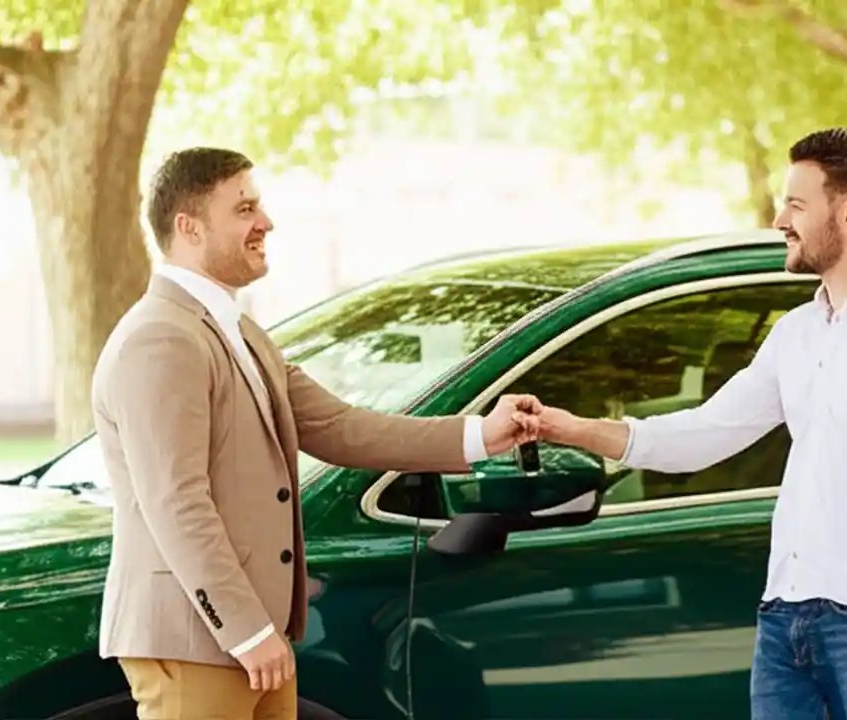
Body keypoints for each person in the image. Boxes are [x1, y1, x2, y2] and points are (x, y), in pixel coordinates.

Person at [90, 147, 541, 720]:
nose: (266, 222)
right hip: (200, 637)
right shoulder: (161, 339)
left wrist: (481, 436)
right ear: (190, 228)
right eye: (244, 208)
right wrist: (247, 630)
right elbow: (174, 501)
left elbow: (340, 427)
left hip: (250, 635)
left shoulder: (240, 332)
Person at [535, 127, 847, 719]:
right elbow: (705, 433)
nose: (781, 218)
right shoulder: (796, 334)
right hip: (784, 618)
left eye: (797, 205)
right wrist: (573, 428)